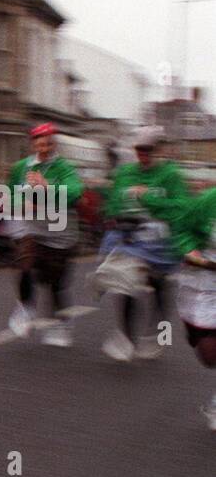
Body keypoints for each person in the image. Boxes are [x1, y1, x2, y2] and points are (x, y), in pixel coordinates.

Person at [97, 127, 190, 362]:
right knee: (124, 280)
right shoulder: (125, 173)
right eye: (139, 149)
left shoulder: (171, 175)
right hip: (132, 237)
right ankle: (127, 338)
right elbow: (112, 205)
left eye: (148, 149)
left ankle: (161, 336)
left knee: (159, 287)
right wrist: (112, 209)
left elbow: (182, 207)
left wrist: (147, 197)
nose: (143, 154)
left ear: (159, 150)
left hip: (161, 241)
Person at [5, 123, 84, 347]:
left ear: (54, 143)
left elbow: (75, 192)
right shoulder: (21, 167)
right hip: (32, 230)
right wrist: (22, 203)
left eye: (49, 142)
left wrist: (48, 187)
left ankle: (61, 324)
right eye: (40, 142)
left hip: (60, 235)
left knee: (56, 285)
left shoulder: (64, 167)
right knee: (24, 265)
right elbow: (10, 195)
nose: (44, 147)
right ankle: (26, 309)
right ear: (33, 143)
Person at [174, 187, 216, 429]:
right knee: (209, 356)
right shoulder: (208, 200)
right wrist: (191, 251)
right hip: (205, 284)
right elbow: (182, 229)